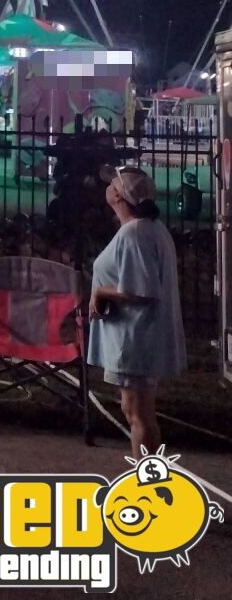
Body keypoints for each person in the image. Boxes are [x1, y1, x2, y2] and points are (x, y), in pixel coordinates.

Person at [86, 165, 186, 454]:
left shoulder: (135, 235)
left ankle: (146, 485)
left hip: (135, 338)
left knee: (137, 413)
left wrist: (101, 291)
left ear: (118, 195)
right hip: (139, 336)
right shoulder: (149, 230)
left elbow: (142, 291)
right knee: (140, 411)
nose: (106, 187)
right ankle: (150, 478)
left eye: (112, 183)